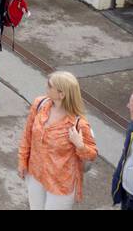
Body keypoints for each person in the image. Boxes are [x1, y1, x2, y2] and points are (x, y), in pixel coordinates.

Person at [17, 71, 98, 210]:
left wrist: (79, 144)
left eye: (50, 86)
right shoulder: (40, 105)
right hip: (36, 173)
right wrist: (22, 160)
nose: (46, 86)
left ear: (62, 94)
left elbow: (92, 155)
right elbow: (27, 135)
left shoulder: (79, 124)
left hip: (61, 183)